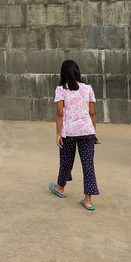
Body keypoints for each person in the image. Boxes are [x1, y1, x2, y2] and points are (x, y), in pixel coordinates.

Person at [48, 59, 100, 210]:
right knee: (88, 165)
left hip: (69, 132)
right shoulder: (88, 88)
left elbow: (59, 114)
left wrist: (58, 133)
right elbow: (92, 113)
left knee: (66, 161)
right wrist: (94, 131)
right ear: (78, 72)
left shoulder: (61, 89)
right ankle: (88, 201)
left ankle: (60, 187)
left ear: (63, 73)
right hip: (87, 131)